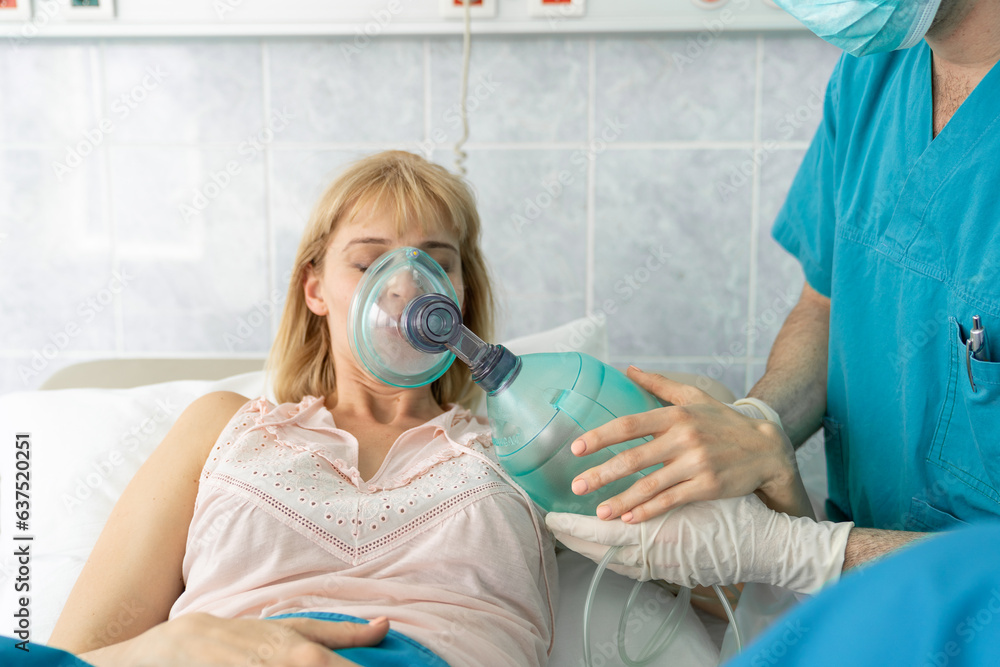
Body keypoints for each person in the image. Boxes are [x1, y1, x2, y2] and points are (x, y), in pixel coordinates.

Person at [546, 0, 1000, 599]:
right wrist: (754, 426)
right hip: (871, 605)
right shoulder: (874, 74)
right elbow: (827, 305)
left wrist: (795, 553)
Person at [43, 151, 557, 667]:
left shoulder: (526, 443)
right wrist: (172, 646)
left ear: (460, 296)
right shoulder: (222, 428)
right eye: (367, 262)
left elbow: (634, 512)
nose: (406, 284)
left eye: (438, 262)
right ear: (315, 289)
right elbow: (75, 657)